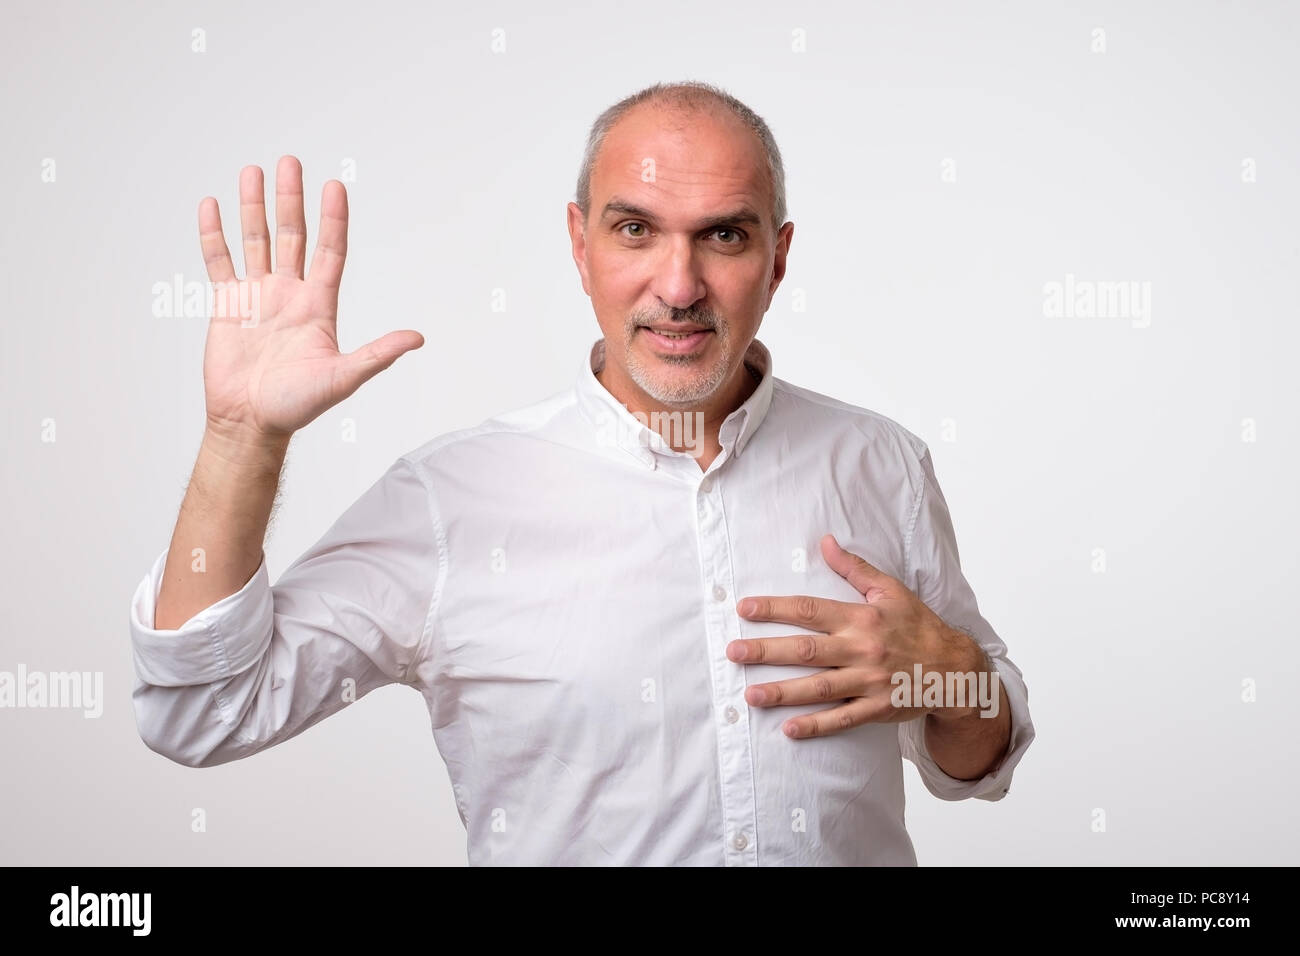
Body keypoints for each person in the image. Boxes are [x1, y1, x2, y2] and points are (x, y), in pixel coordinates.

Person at [130, 81, 1034, 866]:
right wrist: (242, 435)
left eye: (723, 236)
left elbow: (978, 757)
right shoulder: (454, 500)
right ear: (579, 242)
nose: (678, 286)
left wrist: (955, 675)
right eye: (635, 229)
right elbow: (203, 712)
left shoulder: (883, 464)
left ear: (779, 256)